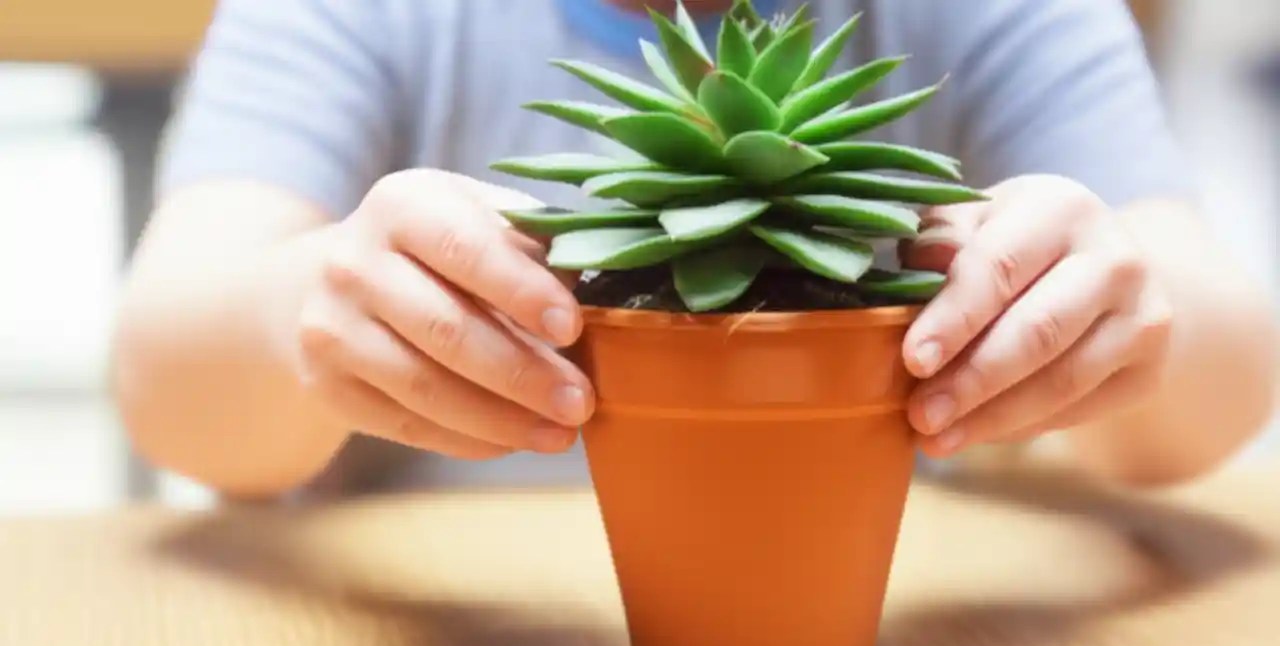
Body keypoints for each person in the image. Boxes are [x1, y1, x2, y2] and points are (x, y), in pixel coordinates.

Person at [112, 0, 1278, 499]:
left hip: (884, 639)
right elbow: (166, 377)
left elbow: (1221, 367)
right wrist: (291, 314)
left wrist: (1120, 313)